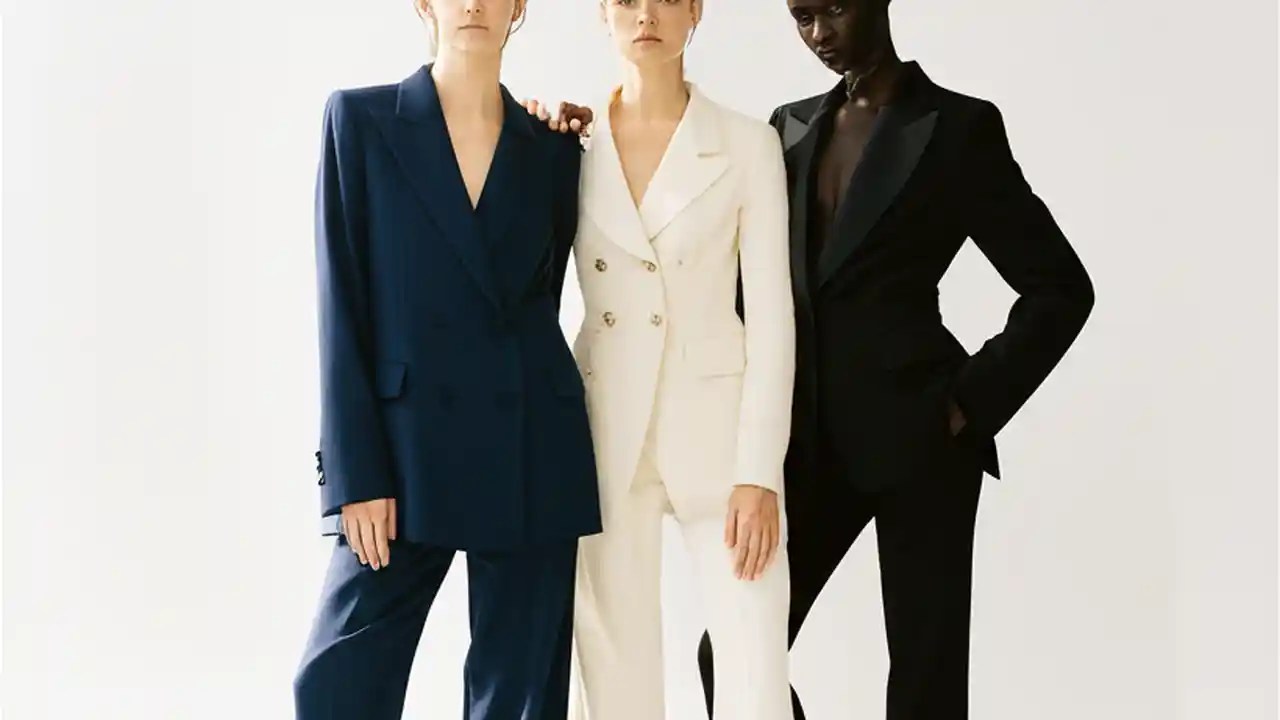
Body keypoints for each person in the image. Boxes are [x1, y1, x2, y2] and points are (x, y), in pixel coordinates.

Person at [696, 1, 1097, 718]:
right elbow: (747, 284)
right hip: (807, 441)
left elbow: (1060, 289)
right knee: (731, 649)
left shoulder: (956, 128)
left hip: (921, 440)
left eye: (833, 10)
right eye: (801, 17)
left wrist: (965, 404)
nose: (818, 34)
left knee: (926, 680)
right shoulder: (786, 127)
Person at [292, 1, 601, 718]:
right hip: (401, 461)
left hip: (531, 446)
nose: (473, 5)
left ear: (518, 6)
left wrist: (559, 135)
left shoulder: (553, 149)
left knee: (519, 700)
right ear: (424, 5)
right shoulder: (361, 123)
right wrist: (353, 475)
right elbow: (342, 307)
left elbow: (537, 300)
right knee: (333, 684)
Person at [529, 1, 796, 718]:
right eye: (624, 0)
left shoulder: (746, 144)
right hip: (604, 426)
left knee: (755, 655)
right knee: (612, 666)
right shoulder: (568, 149)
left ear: (696, 13)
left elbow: (772, 317)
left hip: (717, 431)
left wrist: (759, 470)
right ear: (602, 16)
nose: (645, 14)